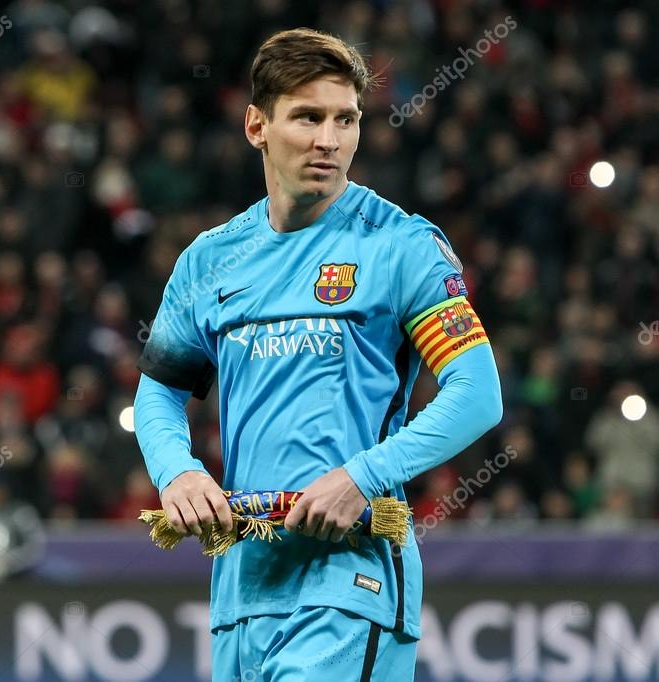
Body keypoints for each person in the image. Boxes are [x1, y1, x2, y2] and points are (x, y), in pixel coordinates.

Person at [134, 28, 502, 681]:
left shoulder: (401, 246)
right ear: (256, 126)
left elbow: (476, 394)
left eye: (346, 119)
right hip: (242, 586)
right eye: (307, 117)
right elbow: (159, 388)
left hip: (348, 578)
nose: (329, 140)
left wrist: (360, 477)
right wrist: (177, 474)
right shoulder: (210, 259)